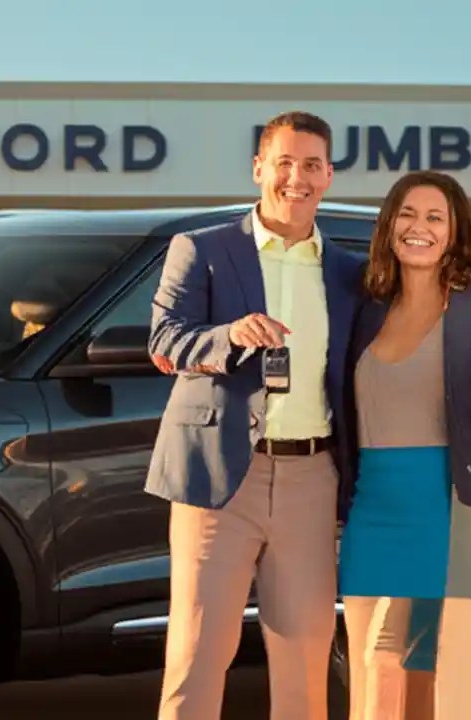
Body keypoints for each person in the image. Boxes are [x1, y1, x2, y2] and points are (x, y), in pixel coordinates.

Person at [144, 110, 366, 720]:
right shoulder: (203, 250)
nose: (297, 178)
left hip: (312, 478)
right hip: (218, 478)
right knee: (197, 653)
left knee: (304, 659)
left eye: (312, 165)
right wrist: (230, 337)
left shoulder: (350, 273)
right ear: (258, 169)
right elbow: (164, 339)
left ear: (328, 176)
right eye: (284, 163)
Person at [336, 169, 471, 719]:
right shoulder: (369, 306)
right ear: (389, 225)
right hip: (372, 508)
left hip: (450, 506)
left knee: (407, 660)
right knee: (374, 667)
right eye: (408, 214)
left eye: (436, 217)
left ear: (455, 233)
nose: (420, 227)